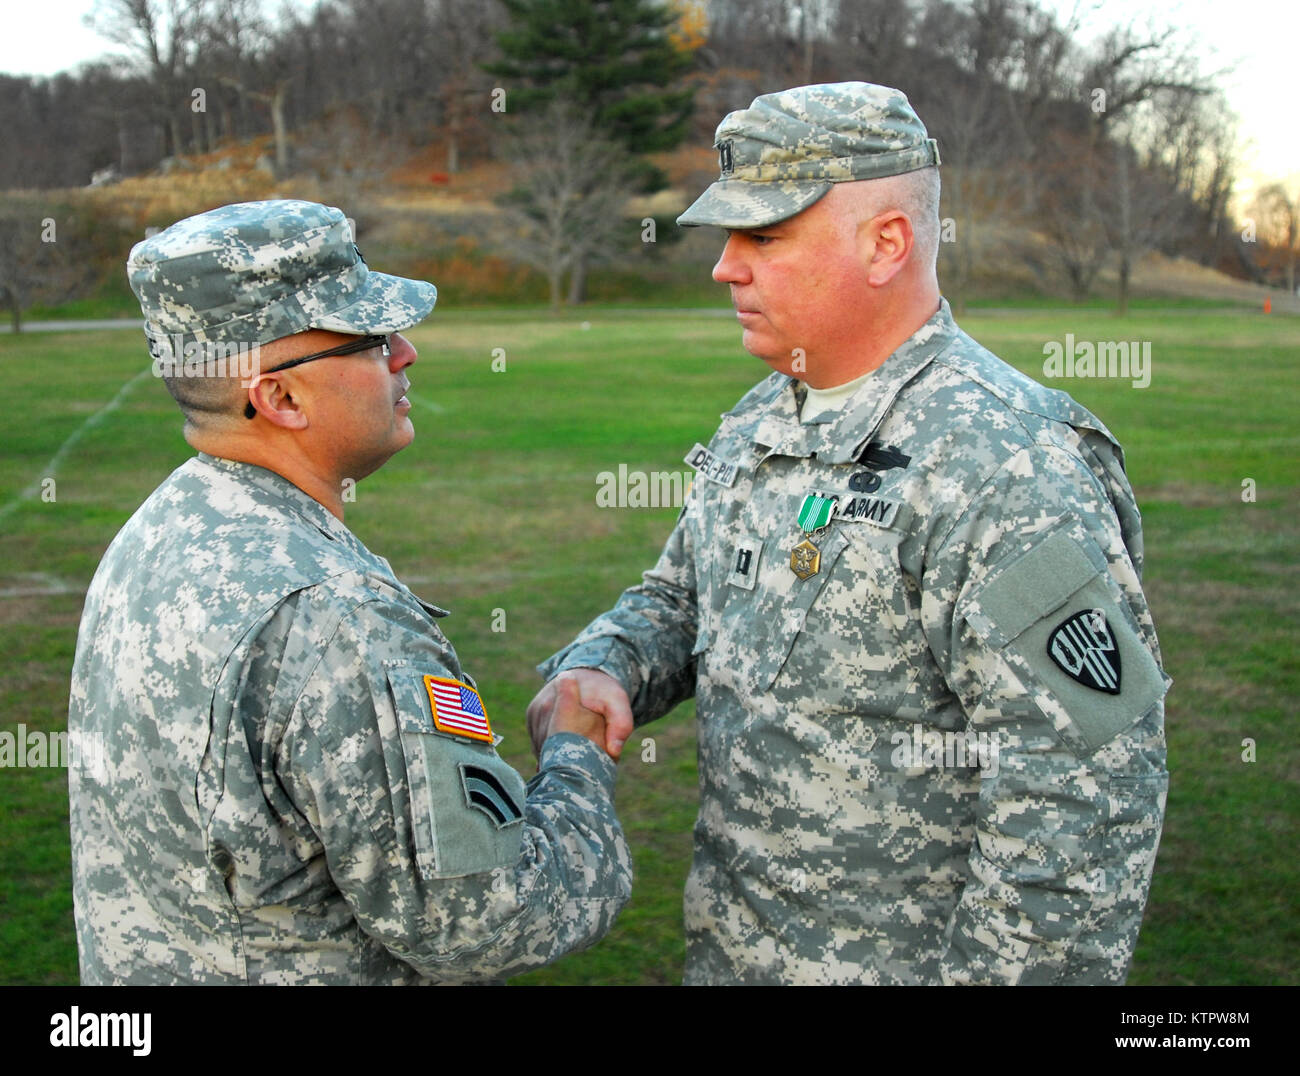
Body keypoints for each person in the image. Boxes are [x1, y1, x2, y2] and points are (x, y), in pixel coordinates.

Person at [528, 83, 1170, 985]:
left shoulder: (1006, 464)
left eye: (764, 236)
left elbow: (1085, 794)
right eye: (728, 238)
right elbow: (683, 596)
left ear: (887, 243)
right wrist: (609, 661)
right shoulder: (759, 421)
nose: (725, 268)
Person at [68, 199, 631, 985]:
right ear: (281, 399)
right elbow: (486, 924)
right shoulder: (336, 617)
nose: (405, 354)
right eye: (369, 338)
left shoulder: (158, 532)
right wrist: (574, 757)